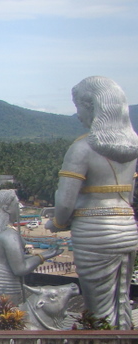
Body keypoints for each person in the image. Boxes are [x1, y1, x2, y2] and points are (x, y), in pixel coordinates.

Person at [46, 76, 138, 330]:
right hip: (127, 228)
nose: (77, 115)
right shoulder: (133, 145)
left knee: (97, 305)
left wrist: (56, 223)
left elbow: (65, 202)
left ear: (93, 107)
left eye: (79, 107)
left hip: (94, 232)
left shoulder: (82, 148)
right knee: (121, 298)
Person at [0, 190, 62, 316]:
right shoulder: (9, 235)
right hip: (3, 284)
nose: (19, 209)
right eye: (16, 205)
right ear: (7, 208)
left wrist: (35, 256)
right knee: (5, 324)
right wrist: (43, 256)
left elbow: (16, 258)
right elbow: (20, 268)